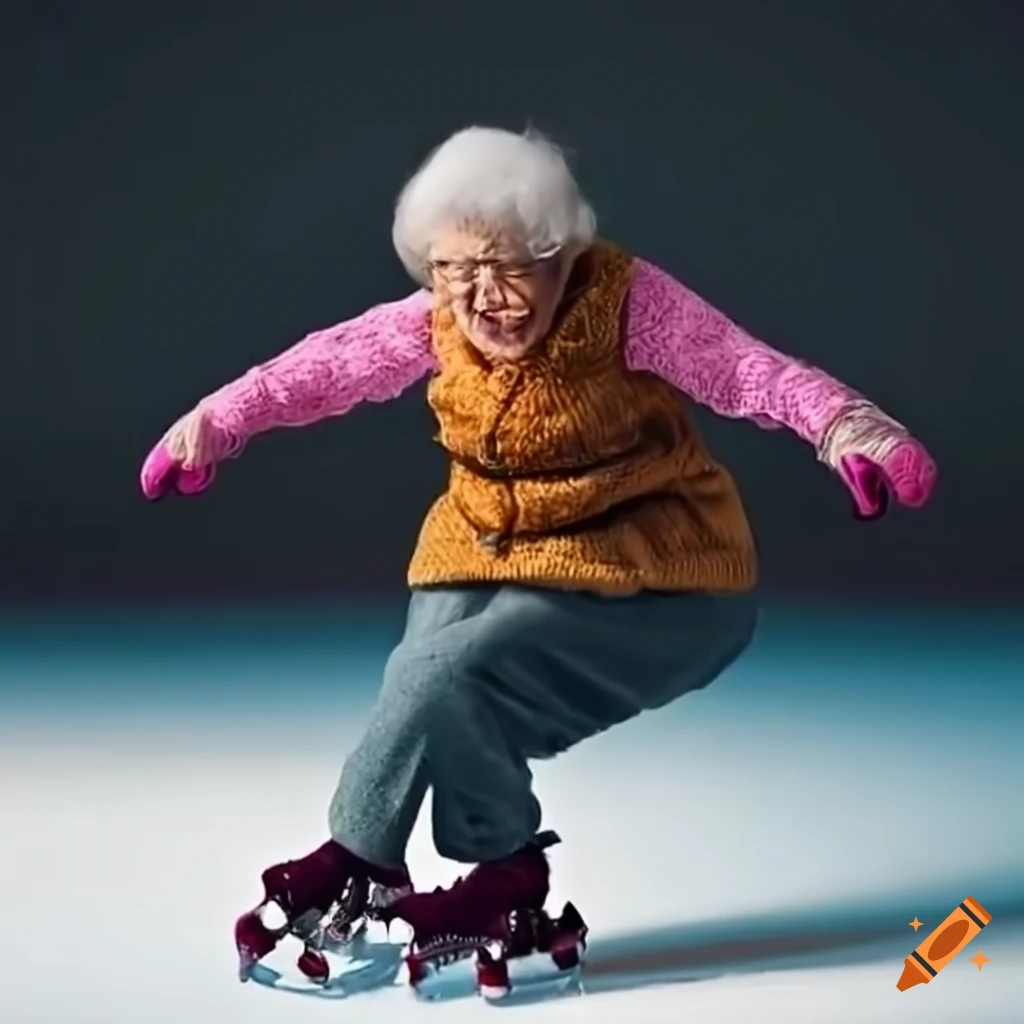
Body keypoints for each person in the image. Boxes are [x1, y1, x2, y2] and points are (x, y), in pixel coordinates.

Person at [140, 126, 936, 990]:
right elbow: (329, 364)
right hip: (487, 545)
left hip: (651, 558)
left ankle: (505, 870)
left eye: (513, 265)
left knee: (448, 671)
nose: (486, 297)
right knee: (425, 663)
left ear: (563, 254)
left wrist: (849, 428)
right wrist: (218, 422)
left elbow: (747, 369)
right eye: (457, 271)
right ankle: (362, 853)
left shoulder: (629, 303)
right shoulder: (443, 314)